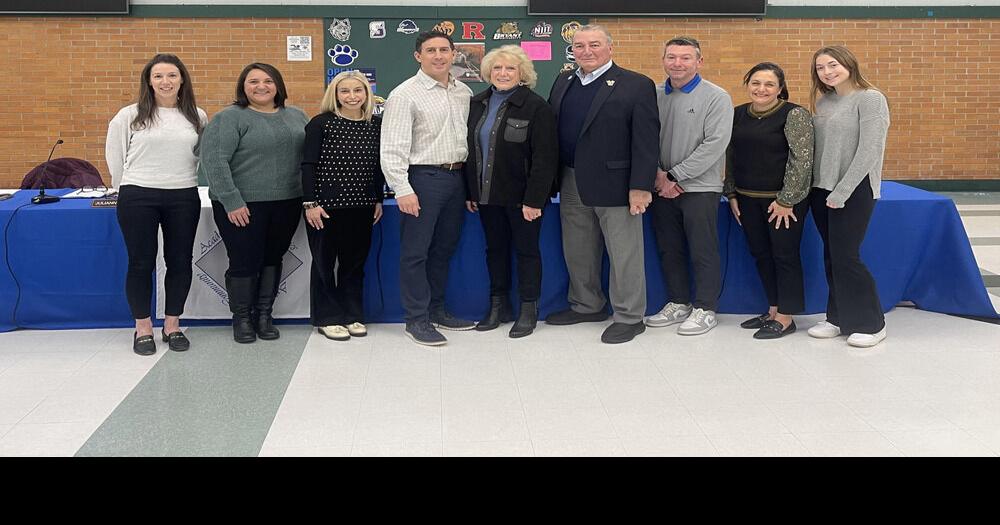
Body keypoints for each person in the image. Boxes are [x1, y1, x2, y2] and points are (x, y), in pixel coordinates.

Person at [546, 24, 660, 344]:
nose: (587, 52)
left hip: (618, 183)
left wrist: (640, 186)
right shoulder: (564, 80)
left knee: (624, 253)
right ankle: (587, 305)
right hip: (571, 179)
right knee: (578, 248)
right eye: (579, 46)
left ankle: (629, 316)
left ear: (610, 48)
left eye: (594, 45)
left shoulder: (636, 84)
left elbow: (646, 141)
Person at [199, 63, 308, 344]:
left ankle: (263, 315)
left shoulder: (297, 116)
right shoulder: (229, 118)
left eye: (268, 81)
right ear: (243, 86)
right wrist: (232, 201)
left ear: (278, 86)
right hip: (242, 205)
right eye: (253, 81)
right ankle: (242, 319)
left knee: (273, 258)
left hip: (287, 202)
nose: (261, 86)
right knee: (244, 262)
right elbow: (214, 160)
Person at [106, 53, 207, 356]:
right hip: (138, 195)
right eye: (159, 76)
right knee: (141, 262)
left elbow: (201, 156)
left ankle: (172, 324)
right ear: (149, 81)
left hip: (183, 195)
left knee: (179, 261)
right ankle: (143, 327)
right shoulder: (130, 115)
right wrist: (123, 187)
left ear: (182, 80)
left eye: (172, 75)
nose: (166, 82)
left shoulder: (197, 116)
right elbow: (115, 157)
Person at [380, 31, 474, 346]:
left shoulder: (462, 91)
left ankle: (437, 310)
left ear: (453, 54)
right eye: (430, 50)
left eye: (444, 50)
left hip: (455, 178)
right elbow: (392, 148)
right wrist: (401, 189)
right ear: (418, 56)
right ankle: (416, 320)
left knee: (443, 249)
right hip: (422, 179)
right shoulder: (404, 94)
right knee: (415, 253)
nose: (438, 56)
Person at [464, 45, 557, 339]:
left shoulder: (536, 106)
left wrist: (534, 199)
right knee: (495, 251)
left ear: (522, 74)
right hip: (486, 196)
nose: (503, 74)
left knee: (527, 253)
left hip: (522, 200)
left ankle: (528, 311)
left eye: (510, 69)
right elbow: (469, 152)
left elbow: (545, 158)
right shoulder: (476, 104)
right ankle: (498, 306)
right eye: (497, 68)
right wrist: (471, 191)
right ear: (488, 72)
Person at [647, 36, 733, 336]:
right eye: (671, 57)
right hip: (660, 187)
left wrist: (674, 176)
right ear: (663, 60)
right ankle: (678, 302)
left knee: (702, 249)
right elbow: (644, 139)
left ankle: (705, 308)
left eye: (685, 58)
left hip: (699, 188)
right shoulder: (653, 94)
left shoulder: (716, 97)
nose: (678, 63)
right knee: (669, 249)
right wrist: (659, 175)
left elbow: (715, 144)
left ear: (699, 61)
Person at [724, 62, 814, 339]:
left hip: (783, 203)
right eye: (756, 83)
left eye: (769, 84)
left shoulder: (794, 115)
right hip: (747, 199)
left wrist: (787, 200)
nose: (761, 89)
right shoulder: (738, 114)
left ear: (780, 88)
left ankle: (787, 317)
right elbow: (730, 155)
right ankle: (773, 309)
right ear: (747, 84)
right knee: (761, 254)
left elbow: (802, 160)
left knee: (784, 256)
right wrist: (731, 193)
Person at [808, 45, 890, 347]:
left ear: (848, 64)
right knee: (832, 256)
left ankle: (872, 323)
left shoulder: (870, 99)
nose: (827, 72)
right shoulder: (825, 101)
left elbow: (870, 149)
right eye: (820, 68)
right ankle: (838, 317)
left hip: (853, 190)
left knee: (847, 257)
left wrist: (843, 191)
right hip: (821, 190)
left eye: (833, 65)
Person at [301, 71, 384, 342]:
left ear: (366, 94)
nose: (351, 96)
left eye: (357, 91)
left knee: (354, 264)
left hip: (362, 205)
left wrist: (378, 199)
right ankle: (328, 318)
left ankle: (352, 314)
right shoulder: (321, 124)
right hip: (325, 207)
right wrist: (310, 203)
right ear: (335, 95)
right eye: (345, 91)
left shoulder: (376, 125)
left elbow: (377, 167)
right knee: (325, 263)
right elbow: (308, 166)